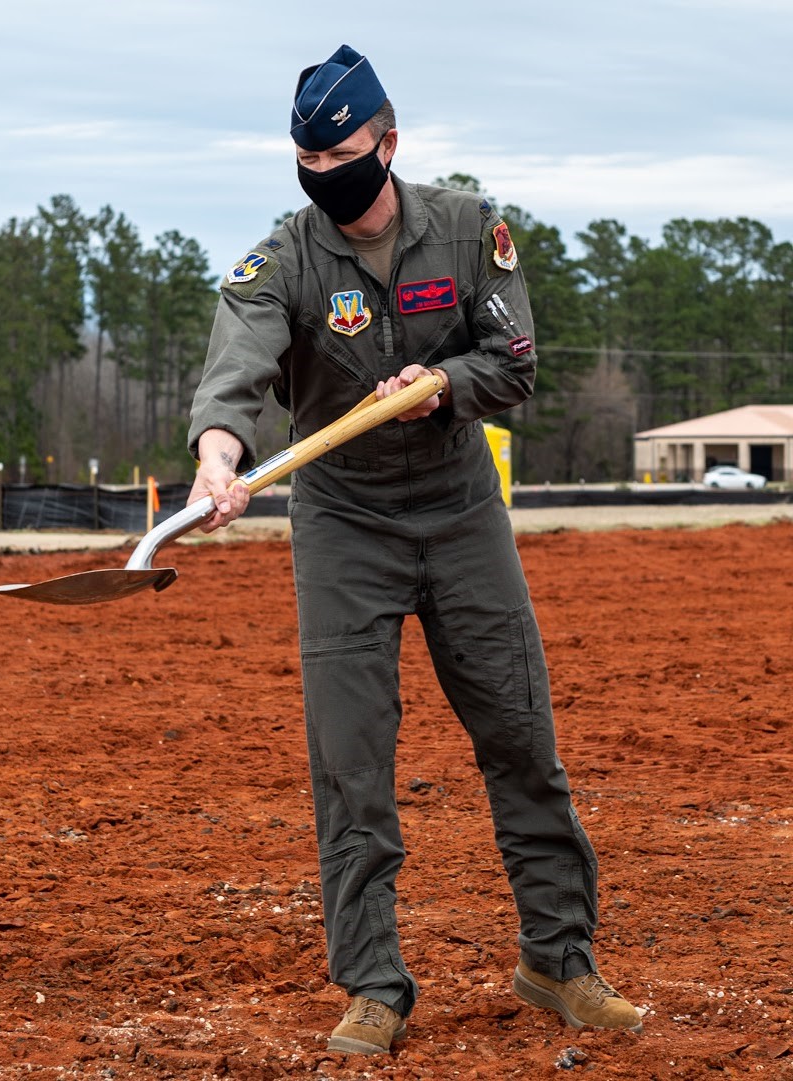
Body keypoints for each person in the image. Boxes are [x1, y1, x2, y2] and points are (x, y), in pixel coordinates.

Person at [186, 45, 642, 1054]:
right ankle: (374, 984)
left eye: (343, 154)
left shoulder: (471, 228)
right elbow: (237, 369)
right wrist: (219, 459)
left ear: (388, 141)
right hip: (343, 525)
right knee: (351, 761)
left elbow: (512, 361)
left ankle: (558, 961)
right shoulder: (284, 259)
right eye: (307, 162)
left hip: (459, 510)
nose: (325, 176)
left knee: (519, 735)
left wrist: (442, 385)